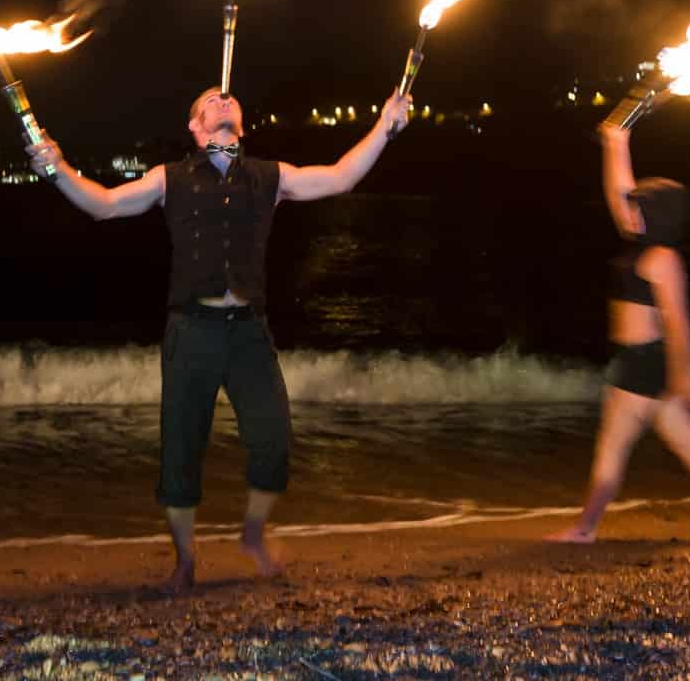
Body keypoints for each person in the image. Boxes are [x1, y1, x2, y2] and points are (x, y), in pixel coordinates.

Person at [26, 87, 412, 591]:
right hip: (191, 329)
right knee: (181, 451)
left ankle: (252, 533)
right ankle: (185, 561)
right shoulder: (170, 178)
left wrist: (385, 125)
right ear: (195, 126)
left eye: (229, 99)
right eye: (210, 100)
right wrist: (56, 168)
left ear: (243, 125)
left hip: (249, 330)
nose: (223, 100)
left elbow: (341, 176)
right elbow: (103, 204)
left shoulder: (270, 177)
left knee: (273, 441)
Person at [548, 121, 690, 546]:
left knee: (611, 453)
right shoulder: (642, 243)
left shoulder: (662, 258)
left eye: (640, 207)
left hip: (641, 369)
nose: (630, 210)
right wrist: (617, 143)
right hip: (646, 368)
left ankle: (584, 529)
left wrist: (685, 376)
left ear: (658, 215)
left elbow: (678, 322)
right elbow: (619, 195)